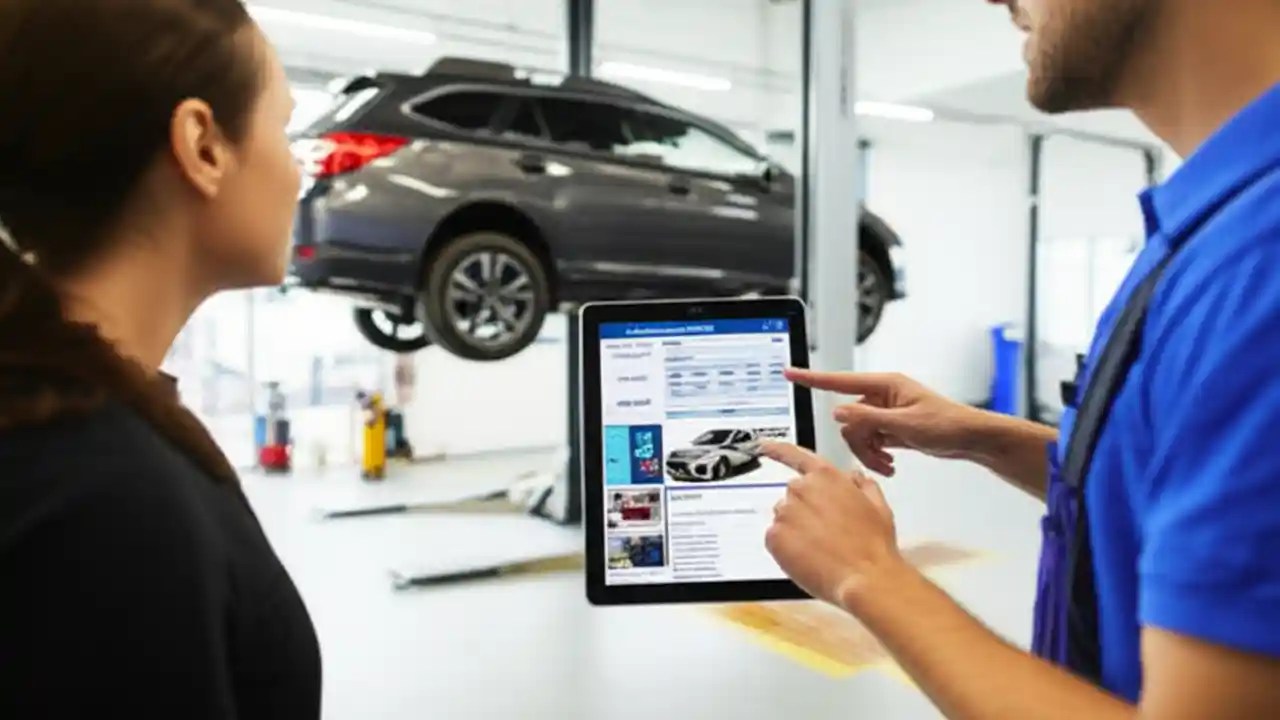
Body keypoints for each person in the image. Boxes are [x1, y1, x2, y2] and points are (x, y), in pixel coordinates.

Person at [760, 0, 1280, 717]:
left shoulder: (1262, 260)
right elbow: (1174, 490)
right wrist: (986, 436)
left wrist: (867, 575)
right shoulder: (1221, 225)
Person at [0, 1, 320, 717]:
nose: (298, 172)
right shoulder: (106, 508)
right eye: (284, 128)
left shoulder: (64, 419)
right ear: (203, 145)